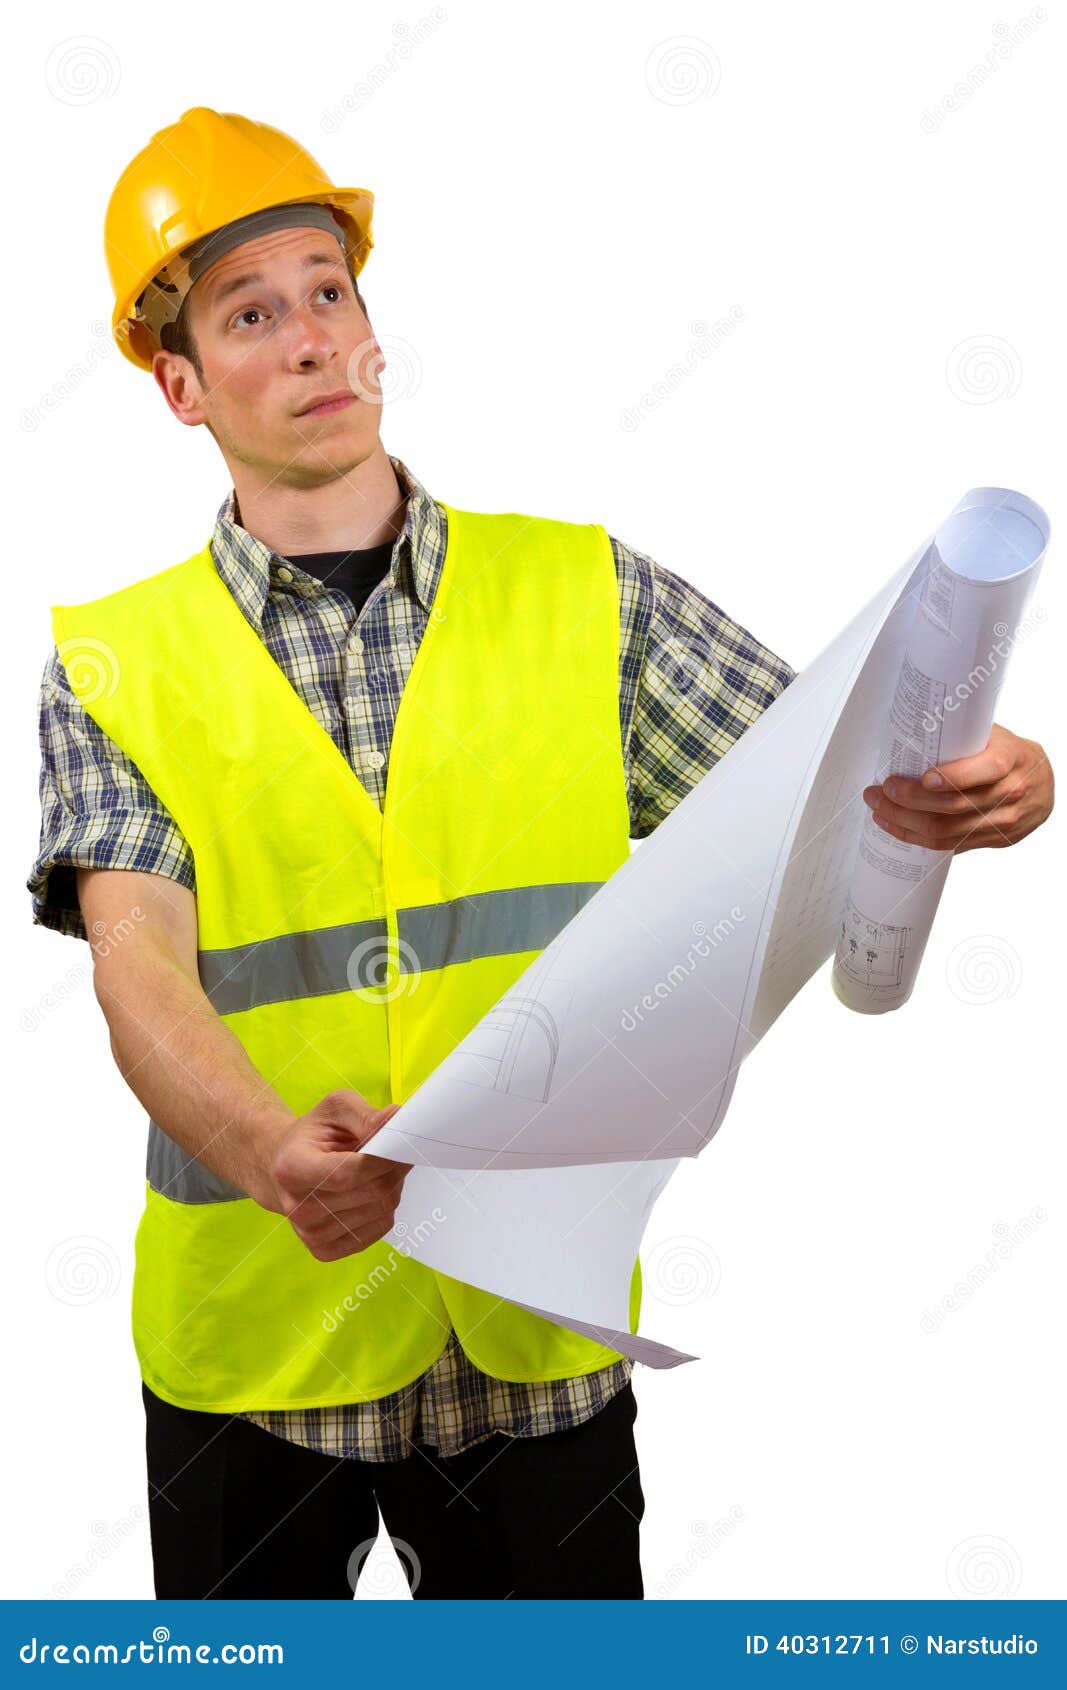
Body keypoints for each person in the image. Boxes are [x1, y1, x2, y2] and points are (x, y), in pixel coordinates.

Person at [28, 107, 1054, 1602]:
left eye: (331, 291)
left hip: (537, 1322)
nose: (310, 337)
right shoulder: (115, 663)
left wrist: (980, 776)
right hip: (256, 1347)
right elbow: (137, 963)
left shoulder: (585, 594)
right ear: (179, 384)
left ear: (374, 331)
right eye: (251, 313)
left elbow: (830, 785)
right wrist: (265, 1153)